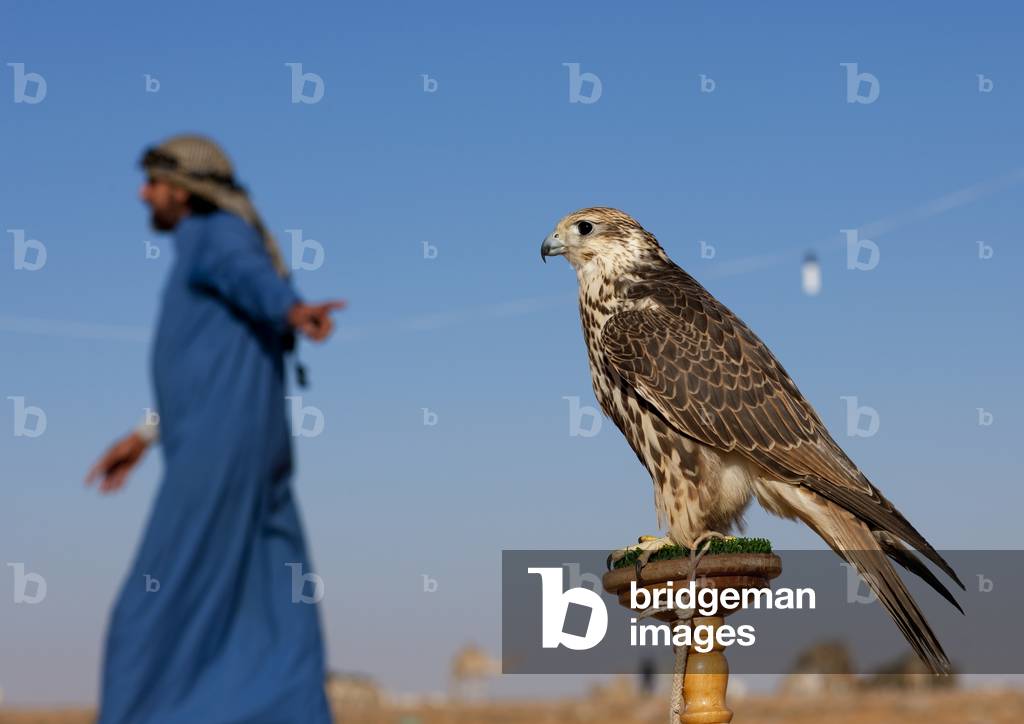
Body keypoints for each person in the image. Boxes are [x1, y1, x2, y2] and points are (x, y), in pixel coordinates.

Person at [85, 134, 342, 723]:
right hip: (247, 443)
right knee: (271, 597)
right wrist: (146, 436)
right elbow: (210, 362)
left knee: (156, 600)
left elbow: (250, 278)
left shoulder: (214, 234)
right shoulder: (210, 240)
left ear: (181, 189)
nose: (143, 194)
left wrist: (290, 309)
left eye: (151, 182)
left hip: (220, 451)